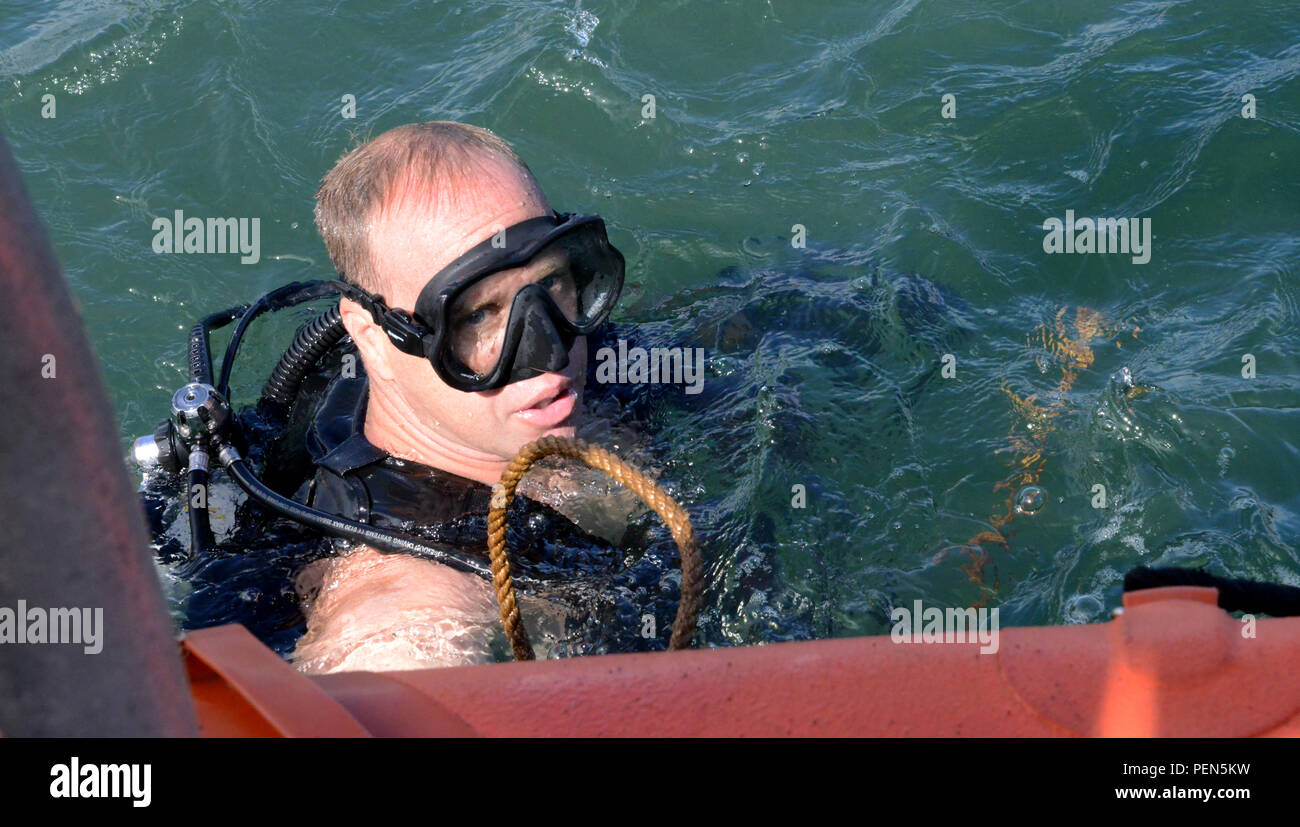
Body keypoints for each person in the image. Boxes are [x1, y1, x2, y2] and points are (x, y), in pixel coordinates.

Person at [289, 121, 633, 672]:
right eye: (477, 315)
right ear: (374, 338)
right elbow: (376, 691)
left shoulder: (568, 365)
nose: (549, 350)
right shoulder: (408, 603)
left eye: (550, 284)